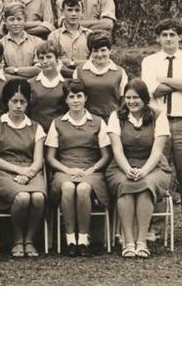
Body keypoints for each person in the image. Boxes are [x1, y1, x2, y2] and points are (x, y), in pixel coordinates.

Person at [140, 18, 182, 242]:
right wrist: (176, 83)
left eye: (172, 34)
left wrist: (164, 80)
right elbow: (152, 91)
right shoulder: (149, 61)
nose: (168, 39)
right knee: (158, 174)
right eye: (164, 35)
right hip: (158, 121)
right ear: (158, 38)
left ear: (180, 36)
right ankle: (155, 228)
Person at [106, 79, 174, 258]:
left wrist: (144, 171)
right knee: (125, 185)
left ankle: (142, 242)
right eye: (128, 98)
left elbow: (157, 150)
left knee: (145, 185)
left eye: (135, 98)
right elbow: (117, 149)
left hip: (154, 166)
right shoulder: (116, 116)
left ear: (144, 98)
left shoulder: (158, 116)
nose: (131, 102)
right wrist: (127, 169)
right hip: (122, 165)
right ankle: (128, 242)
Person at [45, 80, 111, 256]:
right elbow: (50, 157)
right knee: (67, 187)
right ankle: (70, 239)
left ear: (85, 98)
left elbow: (106, 156)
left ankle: (83, 239)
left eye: (79, 96)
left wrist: (91, 170)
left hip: (91, 170)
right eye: (71, 97)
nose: (75, 100)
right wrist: (67, 170)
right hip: (64, 170)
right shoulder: (57, 123)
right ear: (66, 100)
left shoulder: (98, 122)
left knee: (83, 188)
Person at [0, 79, 48, 258]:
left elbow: (38, 160)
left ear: (28, 103)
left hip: (30, 171)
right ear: (7, 101)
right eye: (14, 101)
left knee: (38, 197)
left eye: (23, 102)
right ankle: (16, 240)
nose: (18, 106)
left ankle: (29, 240)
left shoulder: (36, 127)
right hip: (4, 171)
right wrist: (19, 170)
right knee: (22, 197)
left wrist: (28, 173)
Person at [73, 31, 128, 119]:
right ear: (90, 52)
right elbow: (74, 99)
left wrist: (119, 119)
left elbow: (124, 100)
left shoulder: (120, 72)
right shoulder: (80, 71)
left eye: (103, 50)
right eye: (95, 51)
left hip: (112, 120)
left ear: (110, 50)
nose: (99, 54)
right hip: (87, 120)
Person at [47, 0, 89, 77]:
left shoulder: (89, 34)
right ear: (63, 11)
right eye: (70, 10)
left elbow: (94, 62)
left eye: (77, 10)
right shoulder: (54, 36)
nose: (73, 14)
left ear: (82, 12)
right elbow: (53, 62)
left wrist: (71, 63)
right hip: (62, 78)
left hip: (86, 78)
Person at [28, 42, 67, 130]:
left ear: (57, 58)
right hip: (36, 131)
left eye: (49, 57)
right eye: (41, 58)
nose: (45, 61)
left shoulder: (66, 84)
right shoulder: (30, 84)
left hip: (60, 131)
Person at [0, 3, 42, 79]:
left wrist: (15, 70)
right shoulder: (0, 44)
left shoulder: (37, 42)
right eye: (11, 19)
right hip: (9, 84)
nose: (15, 23)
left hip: (32, 84)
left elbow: (39, 69)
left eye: (19, 19)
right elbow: (1, 72)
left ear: (25, 20)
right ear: (5, 21)